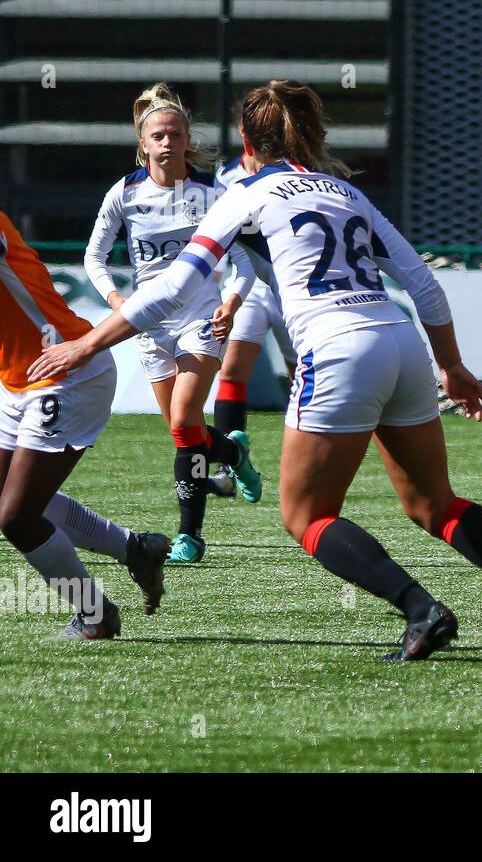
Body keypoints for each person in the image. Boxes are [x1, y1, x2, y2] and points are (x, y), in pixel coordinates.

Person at [33, 80, 482, 661]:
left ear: (247, 143)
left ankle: (420, 610)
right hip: (400, 340)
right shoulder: (344, 192)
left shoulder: (243, 191)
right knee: (436, 505)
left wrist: (86, 346)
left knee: (305, 514)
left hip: (337, 349)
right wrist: (451, 365)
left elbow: (173, 289)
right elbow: (424, 285)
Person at [84, 83, 262, 564]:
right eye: (157, 136)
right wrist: (122, 303)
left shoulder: (213, 193)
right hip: (150, 327)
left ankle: (190, 536)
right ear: (142, 143)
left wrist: (231, 302)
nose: (167, 142)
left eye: (175, 134)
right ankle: (233, 454)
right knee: (186, 433)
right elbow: (94, 258)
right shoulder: (124, 193)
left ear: (187, 140)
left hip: (200, 319)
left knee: (185, 421)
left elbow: (244, 261)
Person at [1, 210, 171, 639]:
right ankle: (135, 548)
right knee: (10, 501)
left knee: (17, 516)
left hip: (68, 373)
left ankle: (95, 614)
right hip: (18, 379)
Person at [210, 148, 297, 493]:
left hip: (292, 286)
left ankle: (302, 470)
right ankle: (228, 471)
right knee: (231, 372)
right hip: (248, 286)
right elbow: (220, 235)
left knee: (302, 377)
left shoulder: (295, 173)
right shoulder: (225, 179)